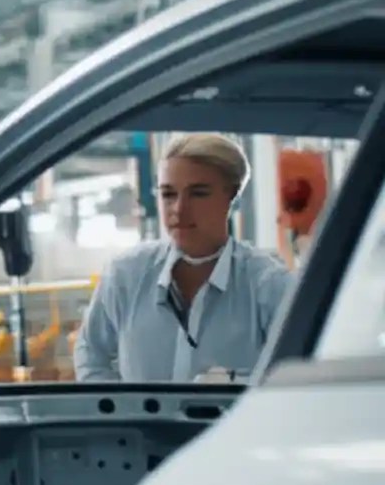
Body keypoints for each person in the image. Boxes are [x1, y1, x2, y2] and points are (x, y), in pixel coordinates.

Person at [74, 133, 293, 383]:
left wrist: (234, 384)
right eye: (168, 194)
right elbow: (91, 353)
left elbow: (295, 374)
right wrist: (119, 411)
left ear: (231, 198)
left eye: (198, 193)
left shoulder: (268, 285)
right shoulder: (125, 276)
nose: (179, 208)